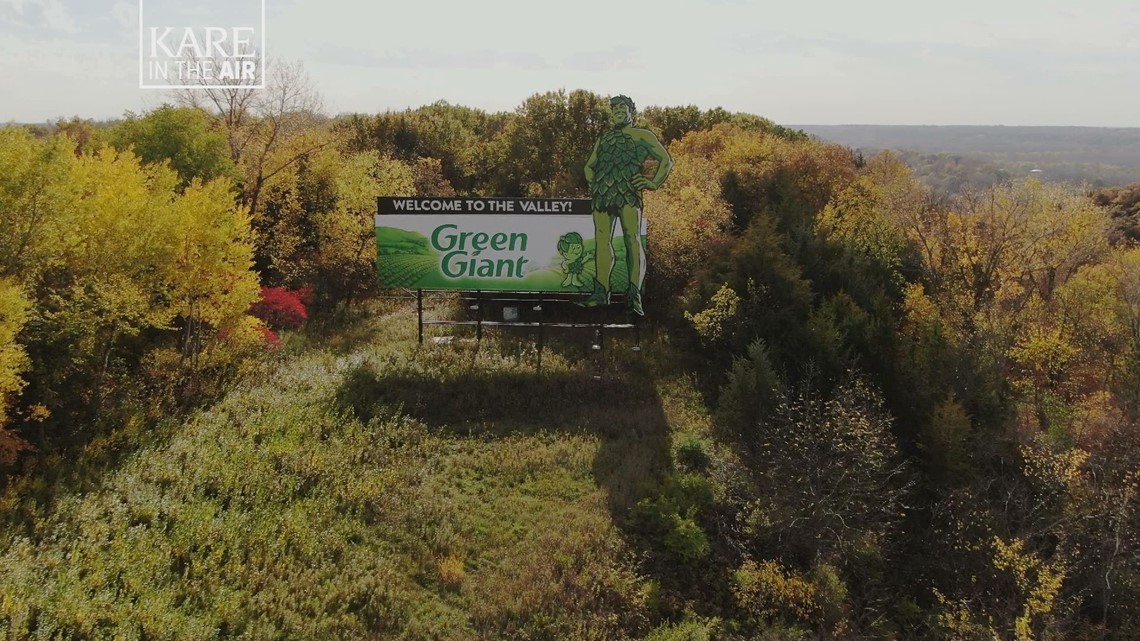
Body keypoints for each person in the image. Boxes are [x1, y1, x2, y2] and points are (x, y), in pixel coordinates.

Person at [578, 95, 672, 315]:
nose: (618, 111)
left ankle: (634, 295)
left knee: (632, 239)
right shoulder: (604, 138)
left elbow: (666, 160)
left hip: (628, 193)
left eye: (623, 107)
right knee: (602, 240)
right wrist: (594, 182)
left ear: (631, 112)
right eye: (615, 108)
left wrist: (653, 182)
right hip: (603, 195)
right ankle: (601, 292)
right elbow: (589, 166)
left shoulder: (642, 136)